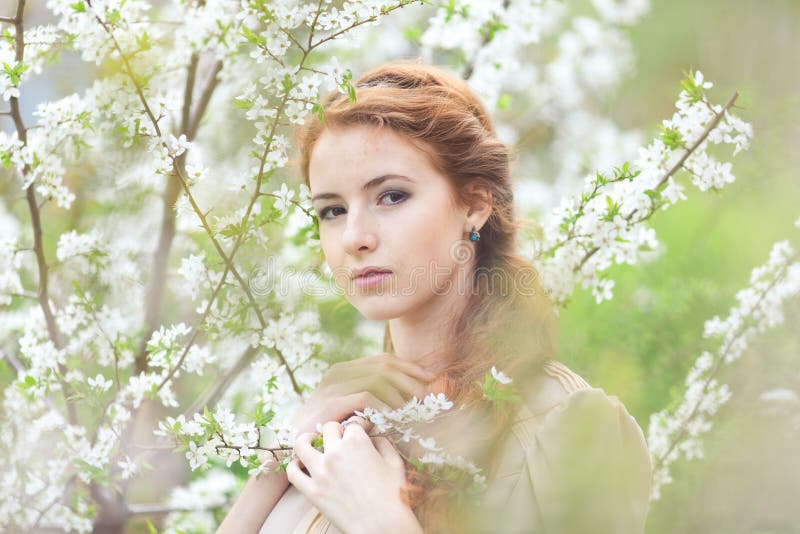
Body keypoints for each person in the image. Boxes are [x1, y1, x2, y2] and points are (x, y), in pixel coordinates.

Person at [217, 60, 652, 534]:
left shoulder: (567, 423)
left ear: (475, 204)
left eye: (391, 196)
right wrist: (283, 453)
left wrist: (381, 523)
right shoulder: (337, 423)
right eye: (333, 210)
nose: (355, 237)